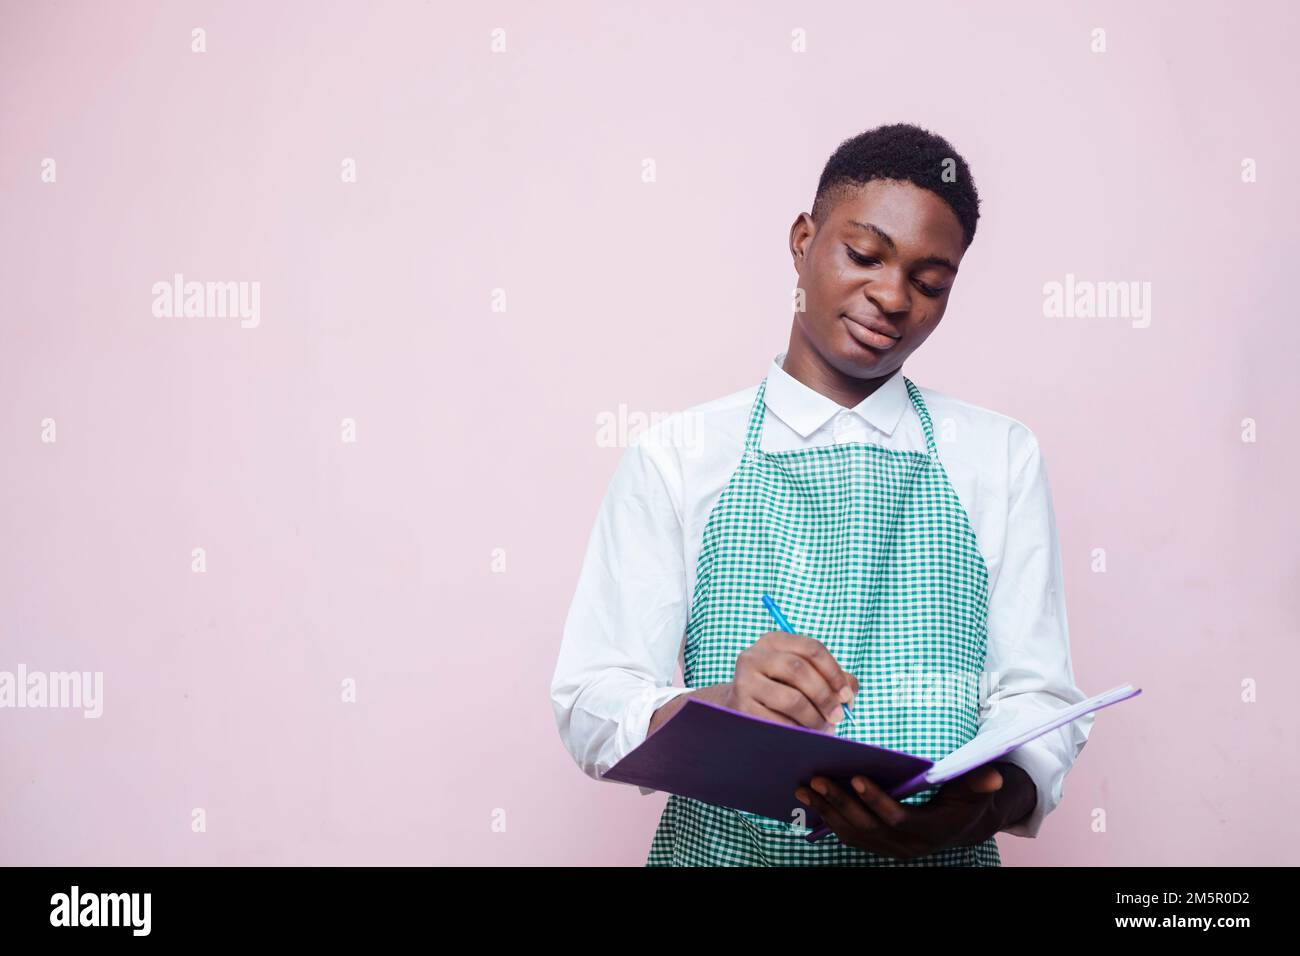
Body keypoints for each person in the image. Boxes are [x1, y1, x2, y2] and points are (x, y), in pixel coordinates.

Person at [550, 123, 1093, 866]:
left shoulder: (998, 457)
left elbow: (1040, 703)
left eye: (931, 282)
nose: (892, 296)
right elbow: (592, 700)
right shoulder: (677, 457)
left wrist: (974, 812)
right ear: (803, 240)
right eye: (864, 255)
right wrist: (722, 708)